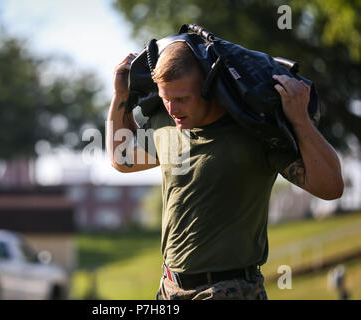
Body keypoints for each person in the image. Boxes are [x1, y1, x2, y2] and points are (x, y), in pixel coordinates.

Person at [107, 42, 344, 300]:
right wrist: (120, 95)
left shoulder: (255, 128)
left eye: (182, 99)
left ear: (208, 87)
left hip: (229, 290)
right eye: (166, 99)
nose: (173, 110)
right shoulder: (166, 124)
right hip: (170, 288)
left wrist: (300, 120)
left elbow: (331, 186)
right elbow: (121, 158)